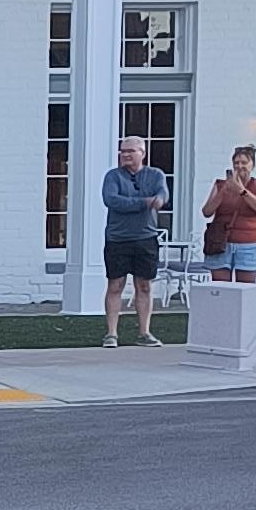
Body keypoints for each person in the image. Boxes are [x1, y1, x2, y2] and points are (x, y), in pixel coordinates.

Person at [100, 132, 171, 348]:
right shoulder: (113, 176)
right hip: (118, 238)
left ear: (143, 153)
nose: (125, 155)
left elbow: (162, 196)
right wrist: (143, 203)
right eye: (123, 151)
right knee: (115, 284)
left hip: (146, 237)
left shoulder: (156, 175)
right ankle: (111, 333)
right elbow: (112, 200)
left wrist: (156, 200)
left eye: (130, 151)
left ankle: (144, 332)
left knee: (144, 286)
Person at [202, 143, 256, 282]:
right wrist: (223, 192)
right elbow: (207, 211)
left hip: (249, 245)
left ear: (252, 165)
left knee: (245, 290)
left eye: (244, 162)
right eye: (236, 163)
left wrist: (242, 191)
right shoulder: (220, 185)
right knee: (221, 289)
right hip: (220, 243)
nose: (240, 166)